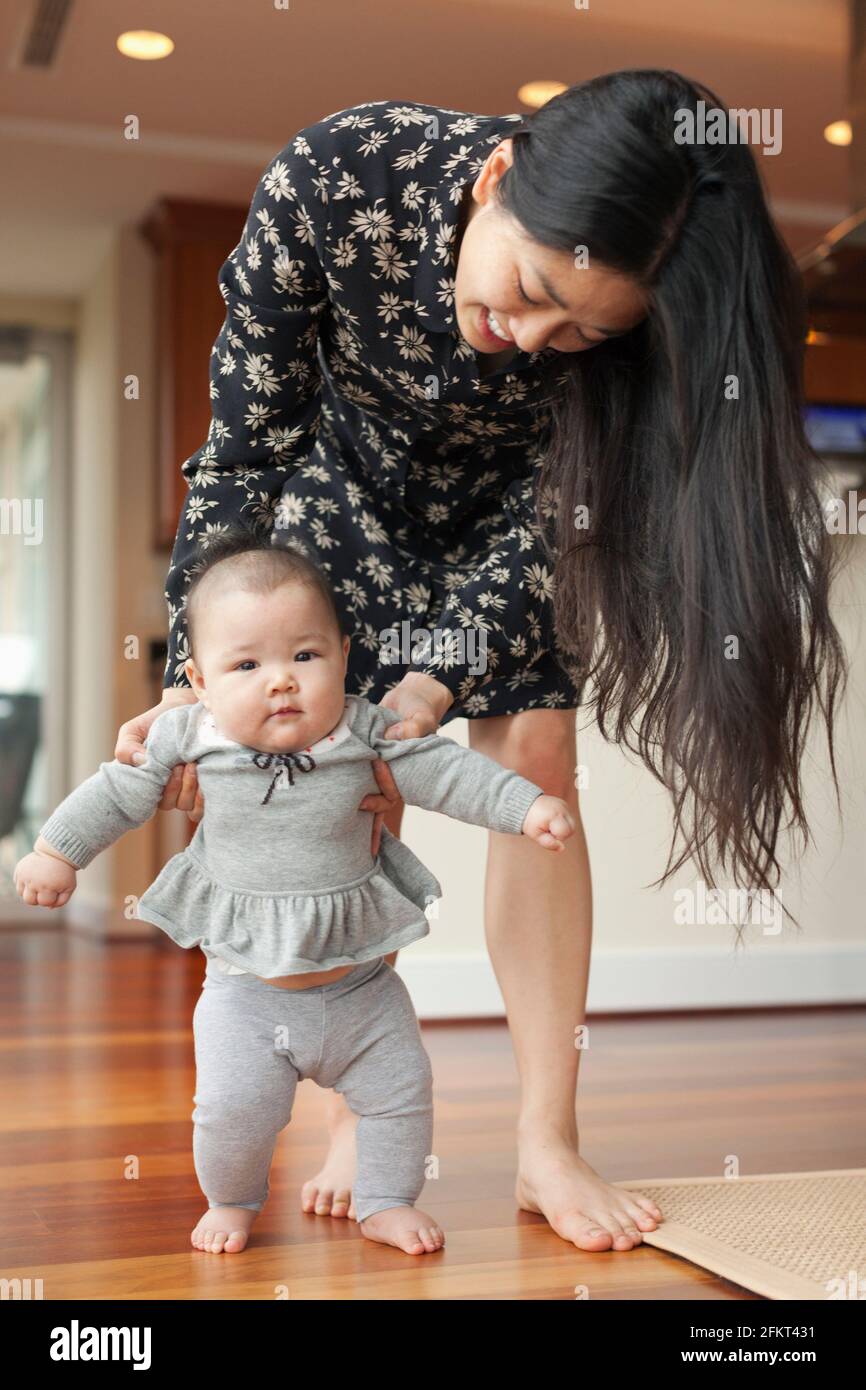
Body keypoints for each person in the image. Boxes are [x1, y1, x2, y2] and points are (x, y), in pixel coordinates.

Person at [114, 69, 846, 1252]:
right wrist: (193, 679)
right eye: (532, 290)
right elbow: (245, 448)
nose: (534, 338)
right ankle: (362, 1098)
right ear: (499, 177)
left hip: (524, 521)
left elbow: (571, 506)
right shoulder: (337, 173)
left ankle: (546, 1140)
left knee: (536, 757)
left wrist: (446, 668)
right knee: (355, 761)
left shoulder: (608, 327)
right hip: (333, 496)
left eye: (581, 331)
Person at [16, 533, 576, 1254]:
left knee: (402, 1098)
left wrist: (527, 808)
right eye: (247, 664)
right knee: (230, 1113)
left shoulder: (367, 730)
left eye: (304, 657)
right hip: (248, 997)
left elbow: (449, 775)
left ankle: (384, 1200)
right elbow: (116, 793)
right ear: (199, 677)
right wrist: (55, 851)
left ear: (344, 654)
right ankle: (233, 1200)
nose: (280, 680)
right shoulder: (190, 736)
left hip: (363, 992)